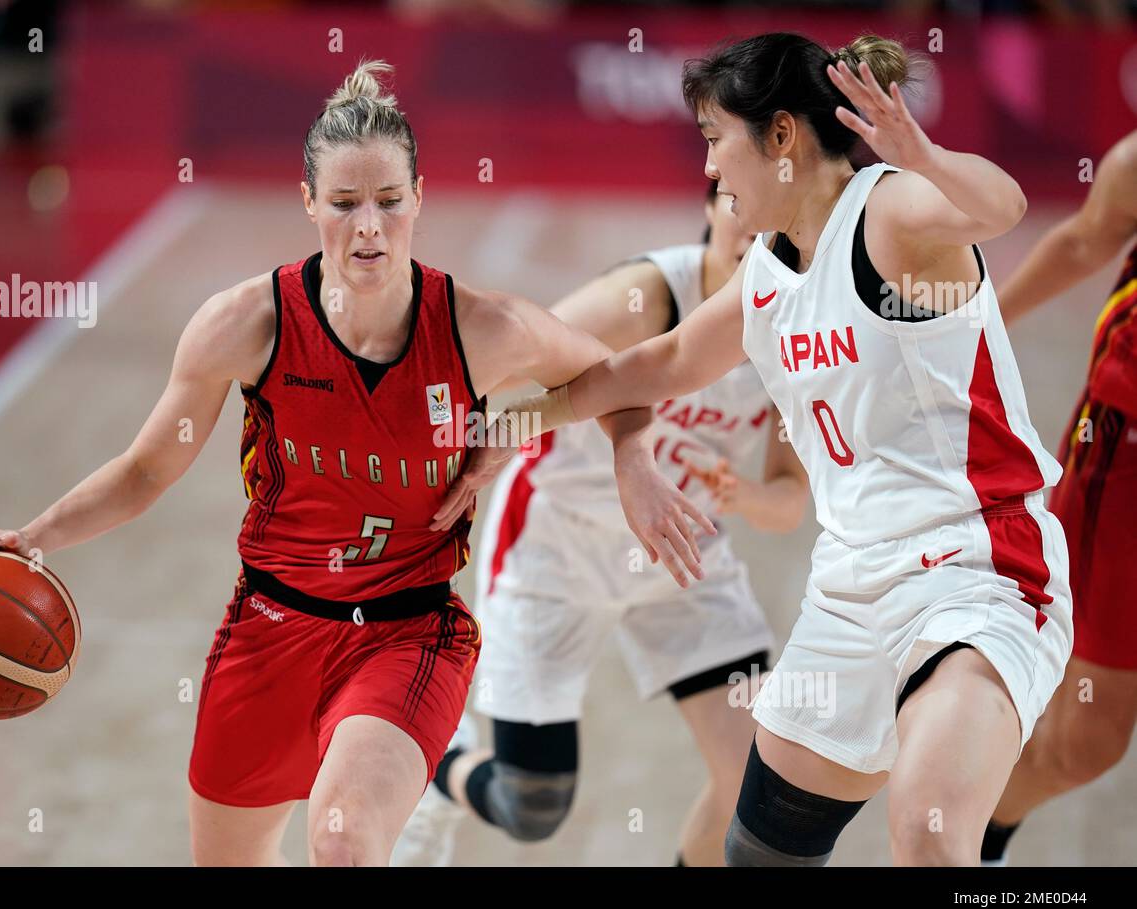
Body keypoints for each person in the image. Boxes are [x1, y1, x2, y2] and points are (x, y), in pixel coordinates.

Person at [0, 60, 648, 867]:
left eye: (390, 202)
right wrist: (33, 536)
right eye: (344, 204)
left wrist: (542, 431)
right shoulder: (243, 324)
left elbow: (617, 379)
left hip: (405, 633)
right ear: (307, 204)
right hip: (268, 631)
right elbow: (146, 471)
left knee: (342, 845)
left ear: (419, 197)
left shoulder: (484, 328)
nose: (369, 227)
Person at [437, 32, 1072, 866]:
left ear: (780, 138)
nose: (708, 170)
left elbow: (1002, 208)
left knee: (928, 835)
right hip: (850, 591)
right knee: (758, 852)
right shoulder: (769, 273)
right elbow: (657, 364)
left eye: (714, 140)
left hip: (974, 569)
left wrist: (921, 154)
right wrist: (518, 425)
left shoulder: (889, 214)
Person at [394, 184, 807, 866]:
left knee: (759, 784)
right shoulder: (650, 294)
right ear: (708, 206)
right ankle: (443, 765)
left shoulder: (794, 326)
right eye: (736, 200)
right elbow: (518, 347)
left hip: (680, 554)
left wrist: (744, 495)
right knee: (533, 805)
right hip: (559, 543)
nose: (754, 228)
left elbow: (790, 501)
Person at [980, 129, 1137, 865]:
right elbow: (1085, 242)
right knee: (1085, 744)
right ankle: (969, 845)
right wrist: (974, 328)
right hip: (1127, 454)